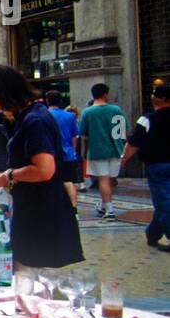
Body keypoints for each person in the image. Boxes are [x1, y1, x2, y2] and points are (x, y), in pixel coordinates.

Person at [0, 66, 84, 272]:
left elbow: (44, 169)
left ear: (7, 93)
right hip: (34, 206)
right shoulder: (29, 116)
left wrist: (9, 175)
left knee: (30, 275)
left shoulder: (35, 120)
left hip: (40, 210)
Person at [124, 84, 170, 250]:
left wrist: (123, 160)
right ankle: (153, 234)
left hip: (157, 165)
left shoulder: (147, 119)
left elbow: (134, 143)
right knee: (164, 201)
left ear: (158, 99)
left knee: (163, 201)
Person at [78, 83, 128, 220]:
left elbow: (83, 134)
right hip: (116, 149)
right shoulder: (116, 109)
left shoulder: (87, 112)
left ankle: (109, 209)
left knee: (103, 180)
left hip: (97, 150)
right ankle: (104, 205)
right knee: (111, 179)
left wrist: (83, 152)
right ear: (105, 94)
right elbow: (122, 131)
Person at [46, 90, 81, 209]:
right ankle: (73, 206)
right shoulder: (70, 116)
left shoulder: (45, 115)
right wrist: (73, 150)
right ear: (60, 101)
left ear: (47, 101)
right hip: (68, 154)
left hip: (51, 155)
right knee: (69, 181)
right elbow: (74, 137)